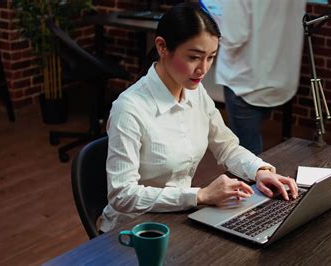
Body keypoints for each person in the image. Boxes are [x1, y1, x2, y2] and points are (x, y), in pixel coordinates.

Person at [100, 3, 299, 233]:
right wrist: (200, 195)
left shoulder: (196, 93)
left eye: (211, 57)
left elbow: (227, 147)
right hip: (132, 231)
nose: (203, 69)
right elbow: (122, 195)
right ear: (162, 47)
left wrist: (259, 171)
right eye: (194, 57)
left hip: (177, 219)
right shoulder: (129, 109)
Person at [201, 0, 307, 155]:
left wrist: (212, 13)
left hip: (246, 81)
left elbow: (233, 36)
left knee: (246, 156)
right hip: (282, 75)